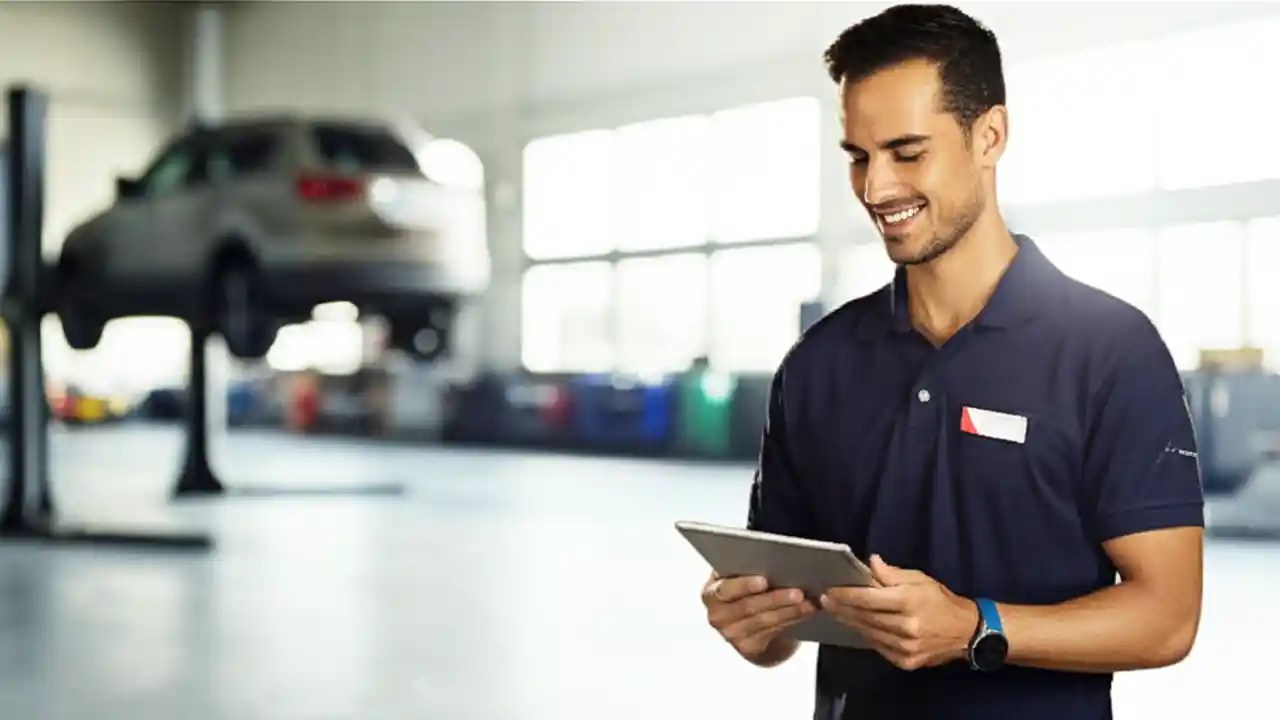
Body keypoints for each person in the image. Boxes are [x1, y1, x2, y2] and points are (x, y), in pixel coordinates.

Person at [699, 4, 1205, 719]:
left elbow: (1169, 616)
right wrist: (756, 626)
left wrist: (976, 627)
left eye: (907, 153)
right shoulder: (818, 365)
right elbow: (786, 610)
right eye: (857, 157)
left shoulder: (1110, 350)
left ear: (989, 135)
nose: (876, 189)